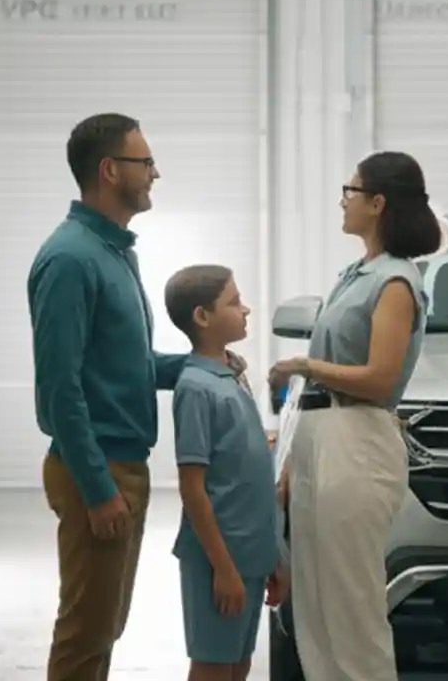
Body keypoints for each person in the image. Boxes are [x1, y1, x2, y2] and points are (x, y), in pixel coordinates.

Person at [28, 112, 245, 681]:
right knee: (85, 634)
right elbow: (60, 387)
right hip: (97, 469)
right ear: (109, 170)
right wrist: (98, 489)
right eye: (145, 162)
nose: (155, 173)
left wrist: (203, 363)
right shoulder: (71, 259)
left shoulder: (114, 252)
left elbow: (125, 364)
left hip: (121, 464)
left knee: (104, 627)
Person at [267, 150, 444, 681]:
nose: (343, 201)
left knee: (350, 607)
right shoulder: (357, 273)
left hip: (357, 439)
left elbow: (380, 379)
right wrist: (290, 458)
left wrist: (305, 365)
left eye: (351, 191)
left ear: (378, 202)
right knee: (315, 607)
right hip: (321, 436)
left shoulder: (395, 282)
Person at [164, 265, 280, 681]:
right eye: (234, 302)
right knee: (213, 665)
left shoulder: (232, 374)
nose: (245, 309)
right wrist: (224, 569)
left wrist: (272, 558)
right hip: (219, 559)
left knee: (239, 662)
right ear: (202, 316)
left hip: (250, 553)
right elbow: (193, 488)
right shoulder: (196, 388)